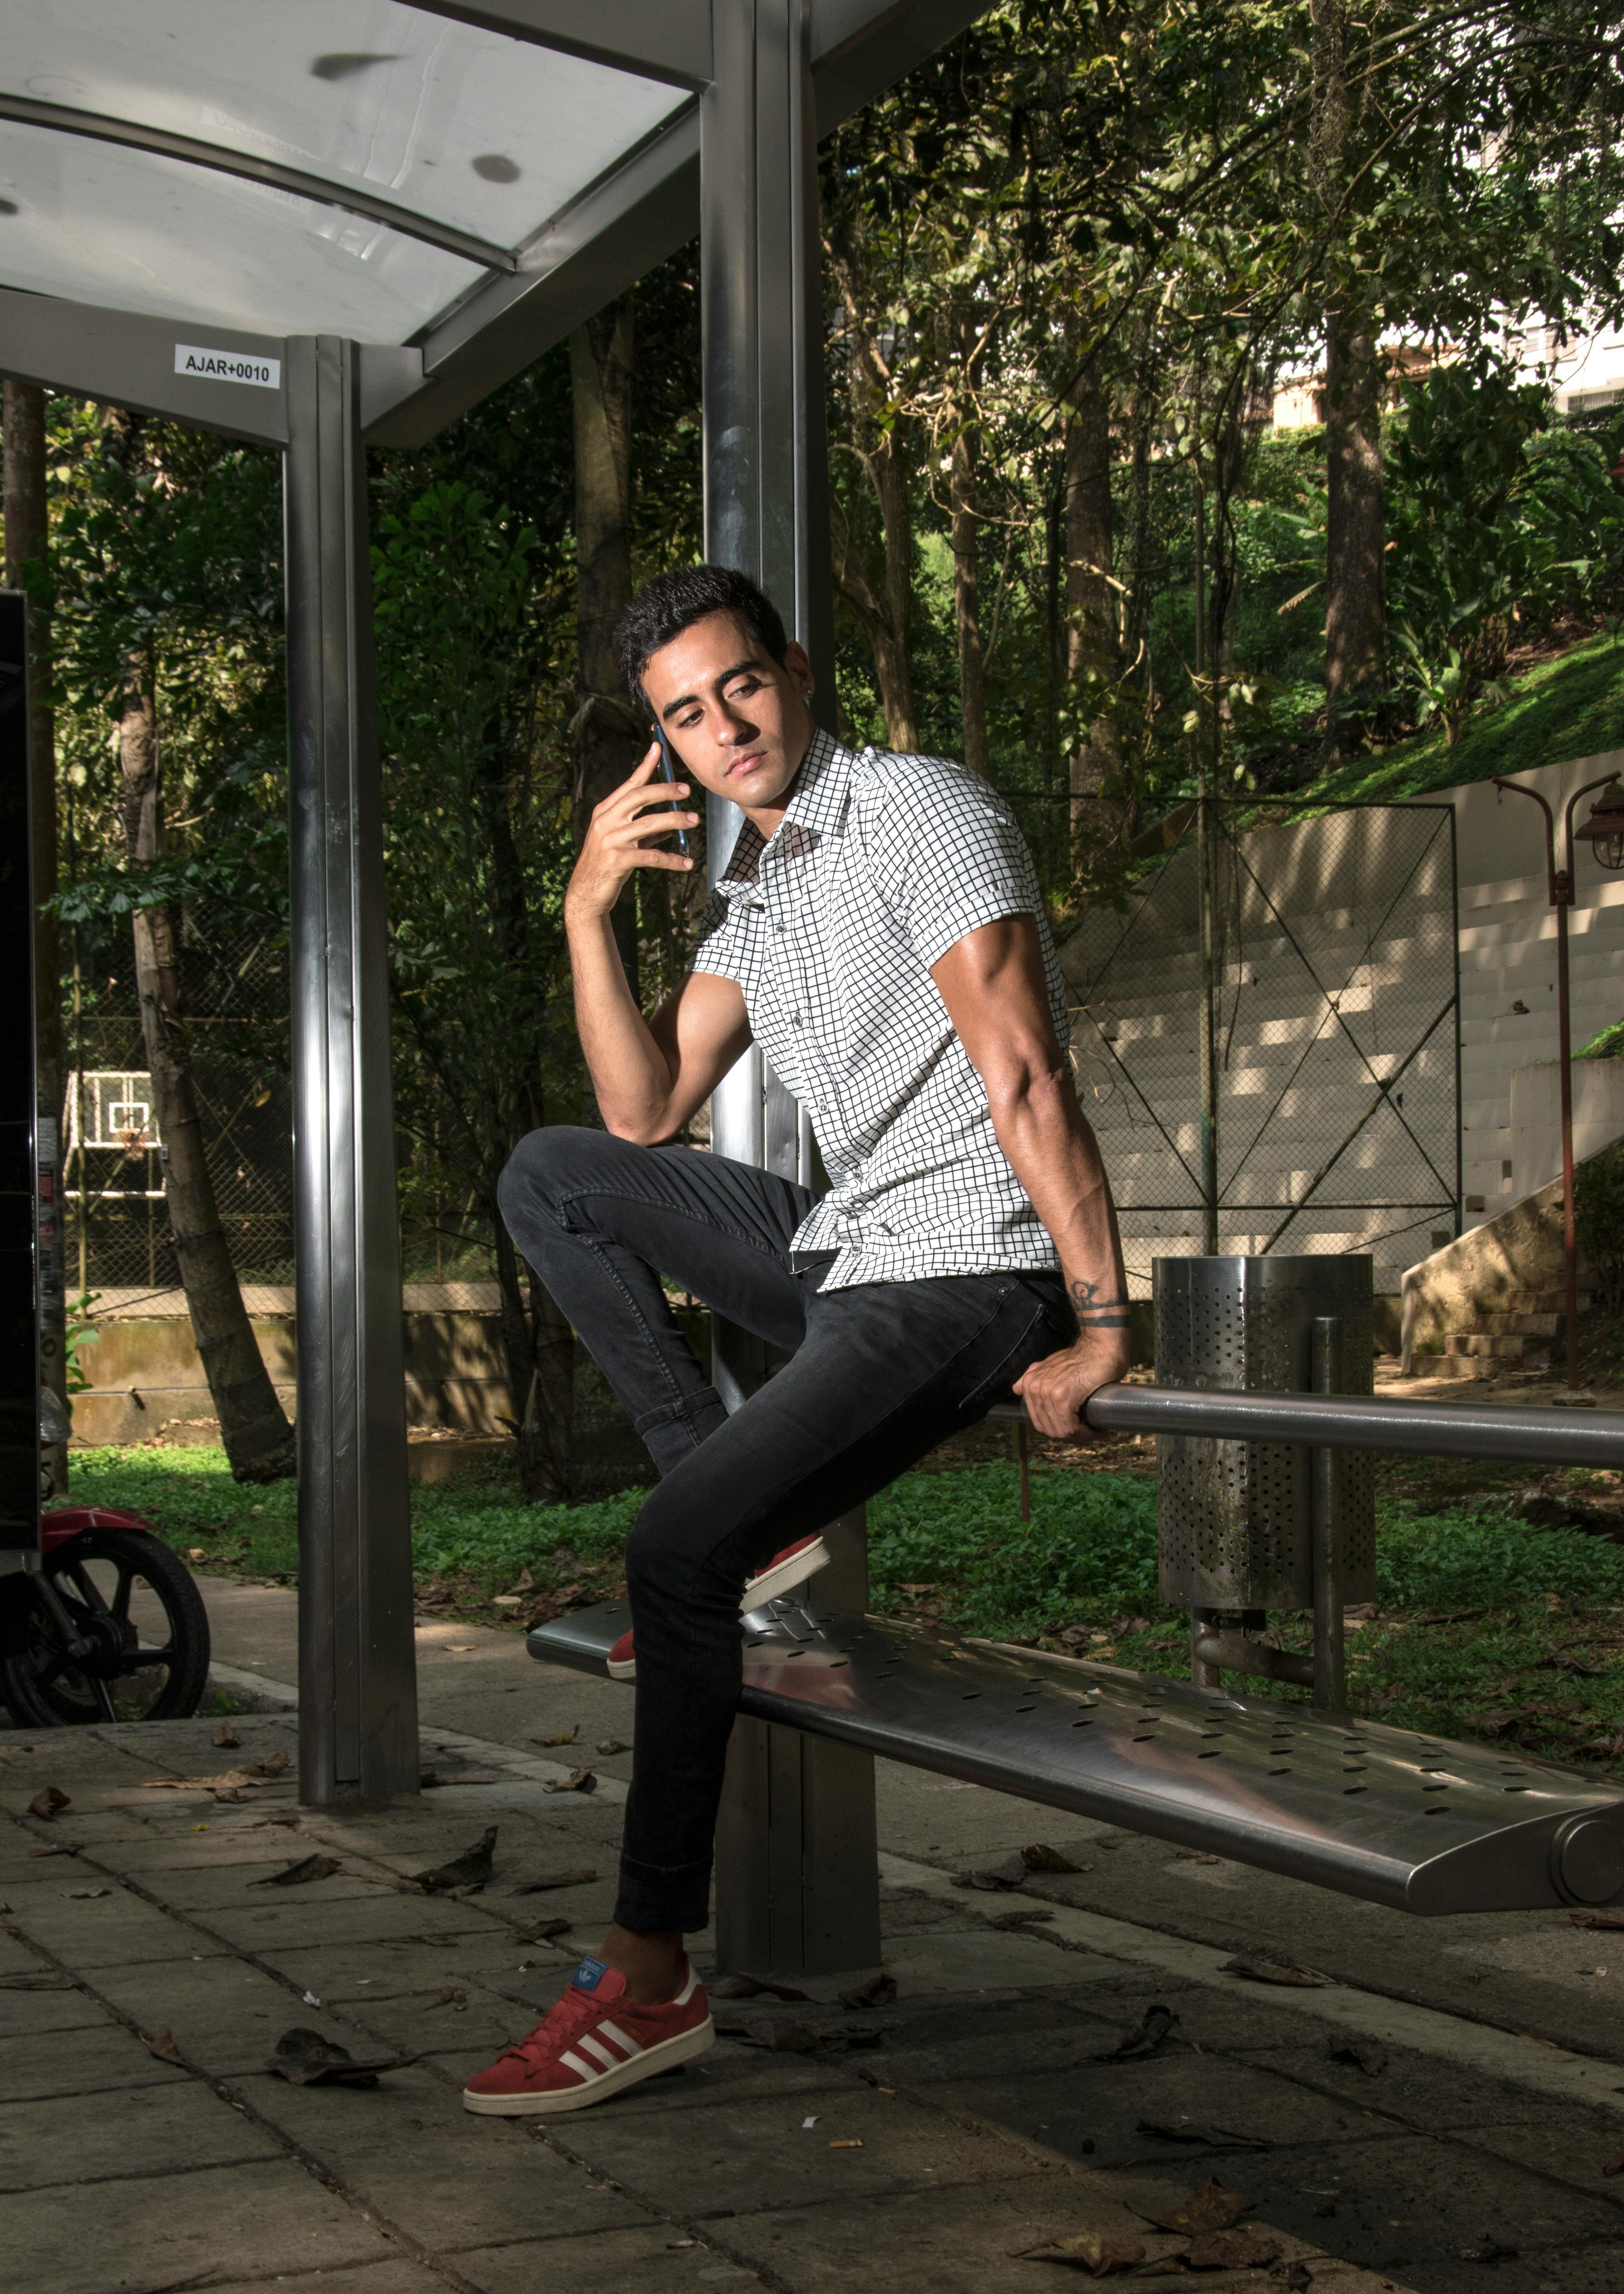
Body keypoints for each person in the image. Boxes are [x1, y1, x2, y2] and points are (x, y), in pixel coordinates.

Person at [463, 565, 1132, 2118]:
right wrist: (584, 907)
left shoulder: (921, 812)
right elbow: (644, 1111)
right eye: (686, 715)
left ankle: (646, 1974)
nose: (724, 727)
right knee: (554, 1171)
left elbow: (1021, 1068)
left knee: (672, 1552)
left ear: (798, 671)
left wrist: (1101, 1317)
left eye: (740, 686)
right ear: (668, 743)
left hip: (969, 1271)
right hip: (853, 1254)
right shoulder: (759, 886)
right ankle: (741, 1524)